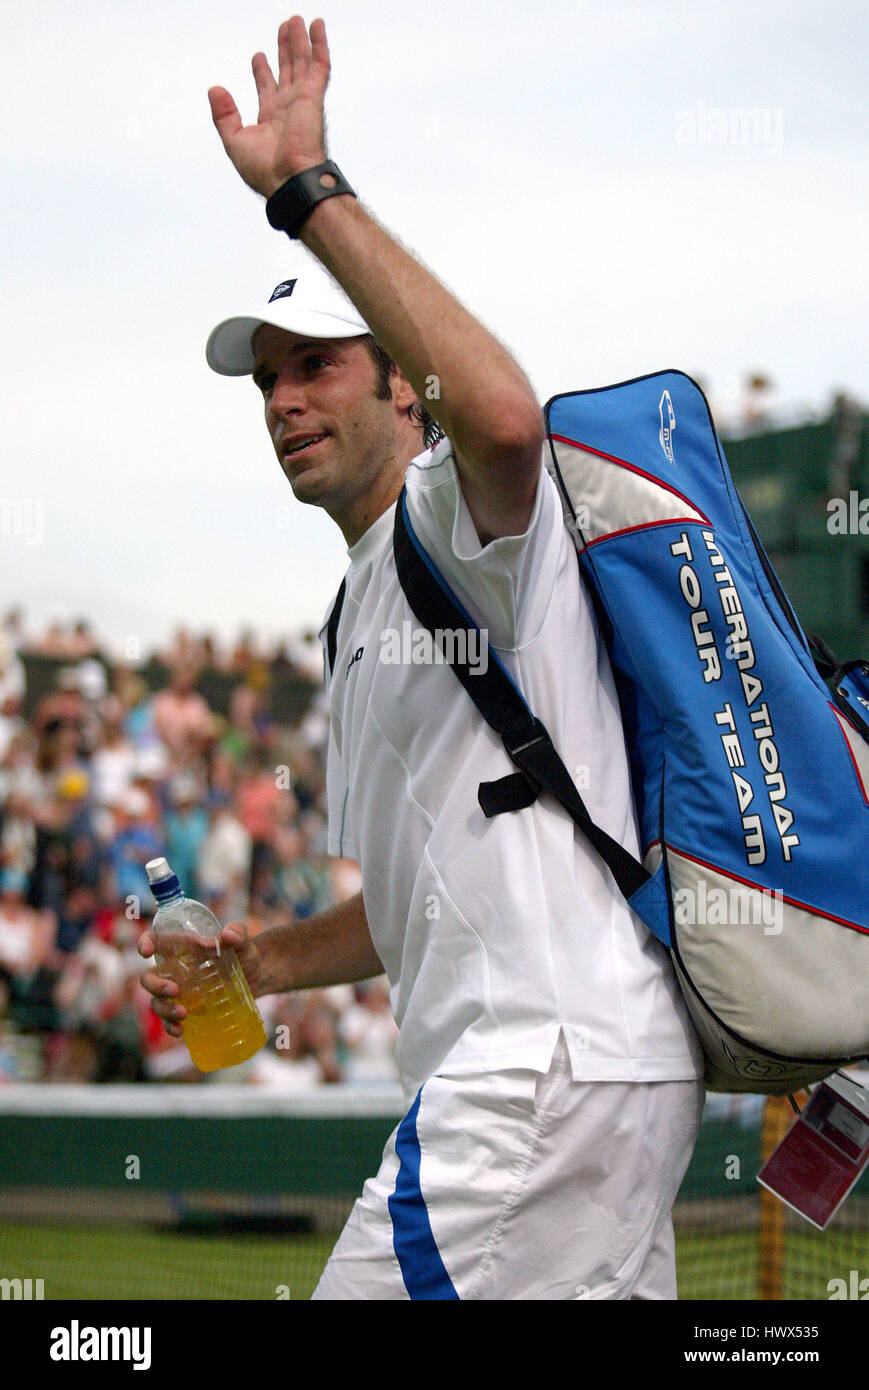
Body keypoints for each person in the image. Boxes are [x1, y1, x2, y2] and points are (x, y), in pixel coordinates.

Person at [140, 16, 704, 1301]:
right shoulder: (359, 602)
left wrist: (305, 191)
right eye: (266, 380)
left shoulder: (452, 507)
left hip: (531, 1078)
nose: (283, 399)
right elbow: (420, 906)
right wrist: (265, 962)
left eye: (318, 367)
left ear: (404, 391)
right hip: (578, 1078)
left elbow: (505, 415)